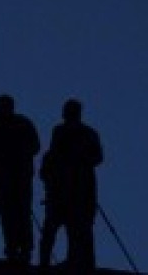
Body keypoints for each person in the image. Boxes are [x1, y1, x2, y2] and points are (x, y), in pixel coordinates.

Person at [0, 93, 41, 264]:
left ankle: (24, 249)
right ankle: (13, 248)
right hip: (5, 177)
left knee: (20, 212)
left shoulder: (18, 123)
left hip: (20, 176)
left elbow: (35, 146)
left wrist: (15, 157)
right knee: (8, 213)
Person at [40, 98, 103, 271]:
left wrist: (78, 160)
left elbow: (97, 158)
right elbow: (52, 158)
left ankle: (73, 261)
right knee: (54, 228)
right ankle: (47, 261)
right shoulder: (60, 131)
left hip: (78, 190)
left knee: (74, 228)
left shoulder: (86, 133)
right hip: (62, 189)